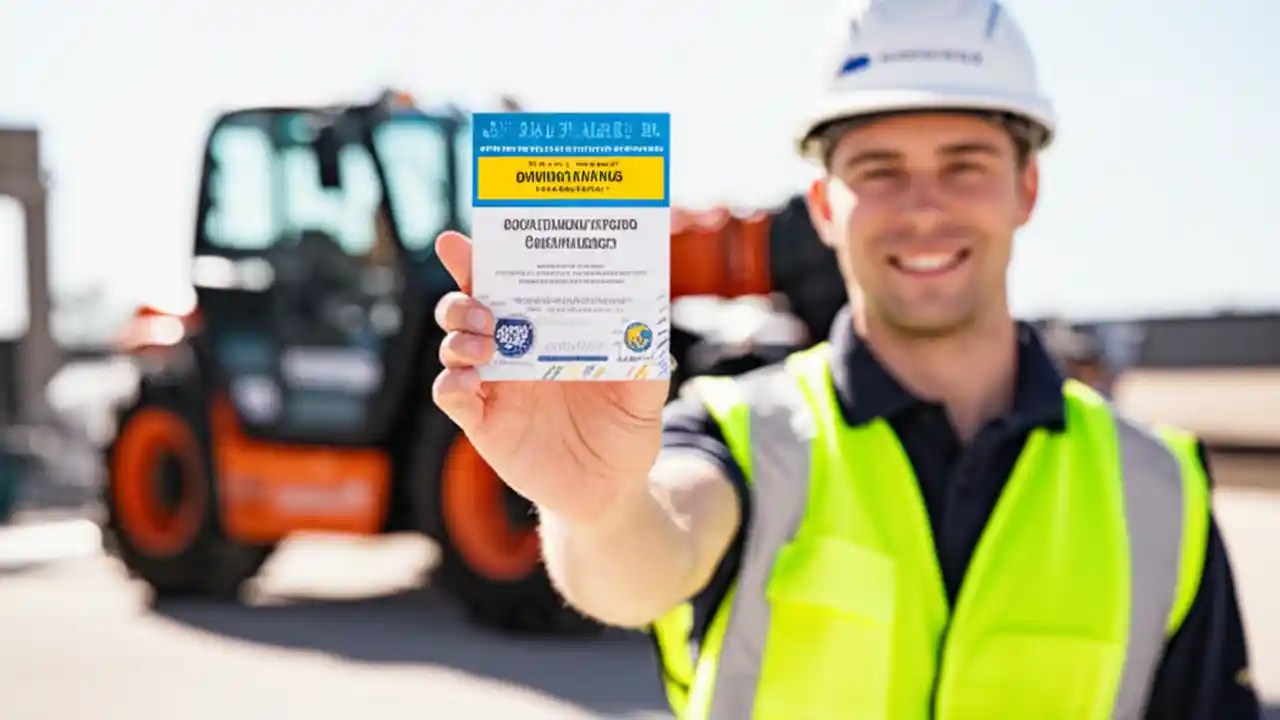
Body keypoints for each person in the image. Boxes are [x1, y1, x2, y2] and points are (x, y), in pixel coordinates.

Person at [430, 1, 1259, 717]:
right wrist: (600, 509)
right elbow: (647, 563)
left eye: (964, 164)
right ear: (824, 206)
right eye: (880, 169)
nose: (924, 208)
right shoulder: (738, 436)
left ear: (1026, 189)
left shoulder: (1159, 487)